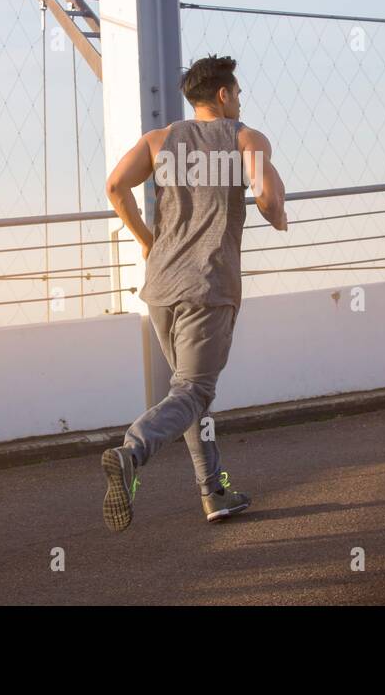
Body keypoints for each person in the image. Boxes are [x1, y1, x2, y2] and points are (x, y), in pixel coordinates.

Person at [100, 54, 288, 532]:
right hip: (208, 285)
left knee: (188, 395)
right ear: (224, 95)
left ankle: (213, 491)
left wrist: (148, 243)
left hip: (161, 287)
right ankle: (132, 450)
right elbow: (267, 197)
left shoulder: (160, 140)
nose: (240, 102)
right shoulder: (245, 137)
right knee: (194, 390)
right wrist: (275, 209)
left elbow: (115, 186)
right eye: (238, 94)